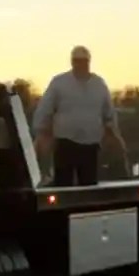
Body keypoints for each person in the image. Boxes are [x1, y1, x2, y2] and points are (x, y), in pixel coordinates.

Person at [32, 45, 128, 186]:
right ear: (72, 62)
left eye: (83, 61)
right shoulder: (59, 83)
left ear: (88, 62)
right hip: (65, 143)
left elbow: (108, 112)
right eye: (77, 61)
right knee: (63, 183)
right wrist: (42, 132)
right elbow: (45, 108)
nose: (80, 65)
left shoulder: (99, 85)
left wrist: (113, 134)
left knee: (88, 183)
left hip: (90, 144)